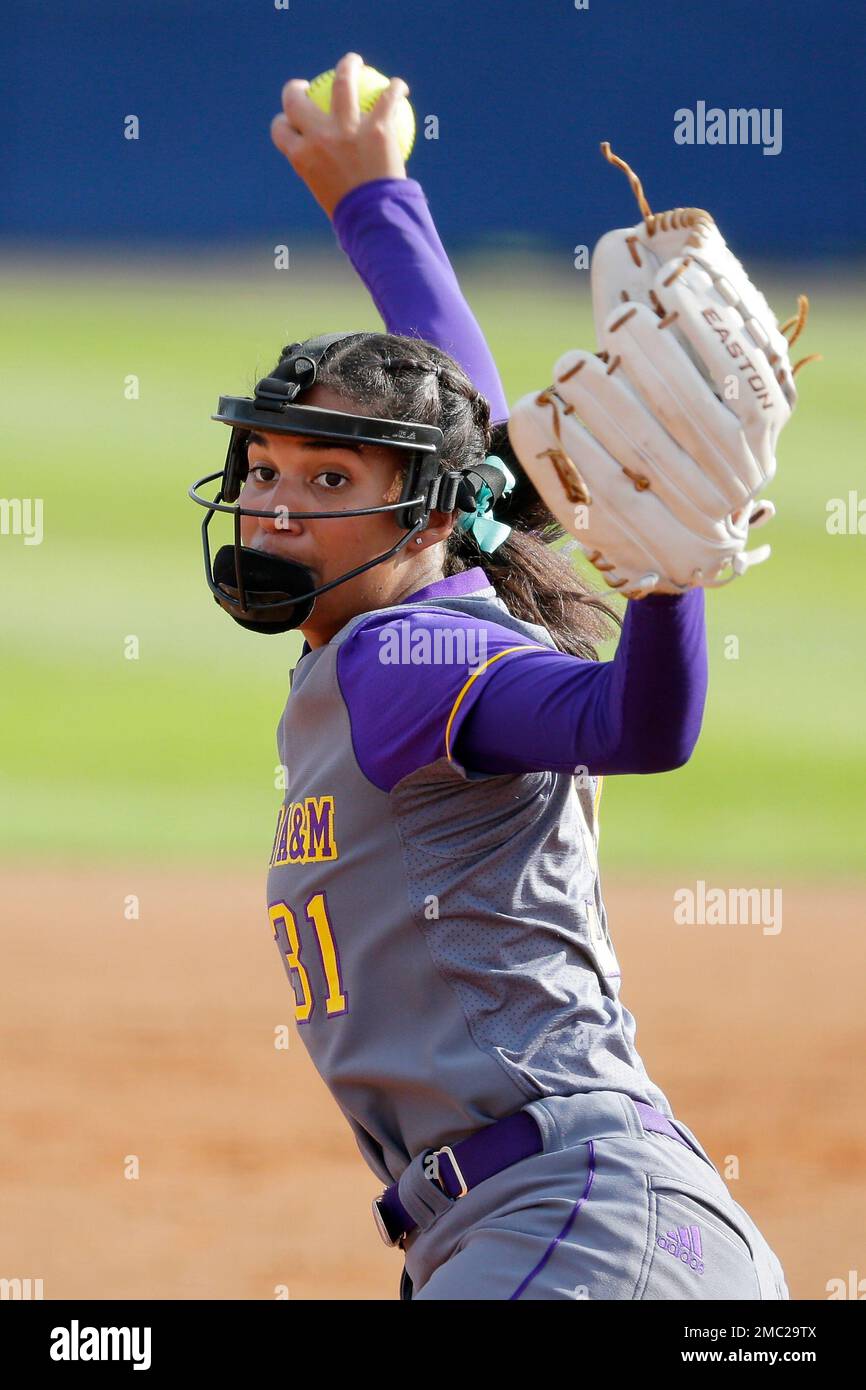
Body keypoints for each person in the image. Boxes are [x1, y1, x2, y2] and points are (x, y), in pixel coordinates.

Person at [200, 52, 790, 1300]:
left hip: (576, 1231)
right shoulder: (427, 607)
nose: (273, 507)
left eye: (326, 481)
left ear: (418, 517)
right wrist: (374, 194)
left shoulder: (411, 656)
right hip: (576, 1232)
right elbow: (455, 416)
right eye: (262, 468)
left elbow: (635, 728)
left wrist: (666, 585)